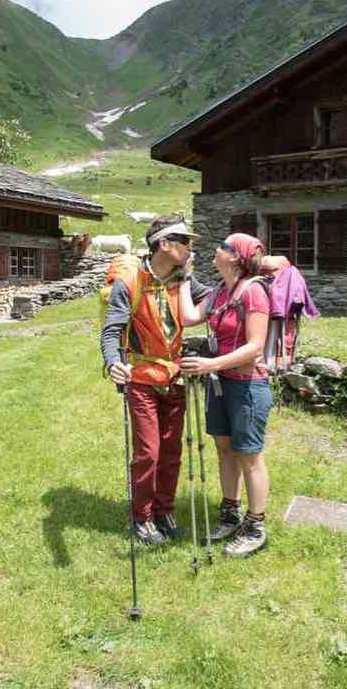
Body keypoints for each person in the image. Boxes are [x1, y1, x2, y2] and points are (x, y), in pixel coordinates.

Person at [100, 214, 211, 547]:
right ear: (164, 244)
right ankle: (143, 516)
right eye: (185, 241)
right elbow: (111, 330)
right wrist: (113, 363)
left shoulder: (183, 279)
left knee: (172, 450)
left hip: (174, 378)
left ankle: (164, 510)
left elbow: (215, 296)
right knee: (148, 451)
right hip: (143, 379)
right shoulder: (129, 280)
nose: (191, 248)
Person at [178, 232, 279, 558]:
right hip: (221, 383)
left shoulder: (254, 292)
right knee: (224, 449)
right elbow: (189, 317)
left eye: (223, 246)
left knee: (249, 456)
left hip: (248, 385)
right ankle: (230, 513)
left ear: (235, 257)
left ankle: (256, 526)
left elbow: (254, 347)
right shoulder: (221, 291)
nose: (216, 249)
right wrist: (184, 277)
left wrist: (210, 364)